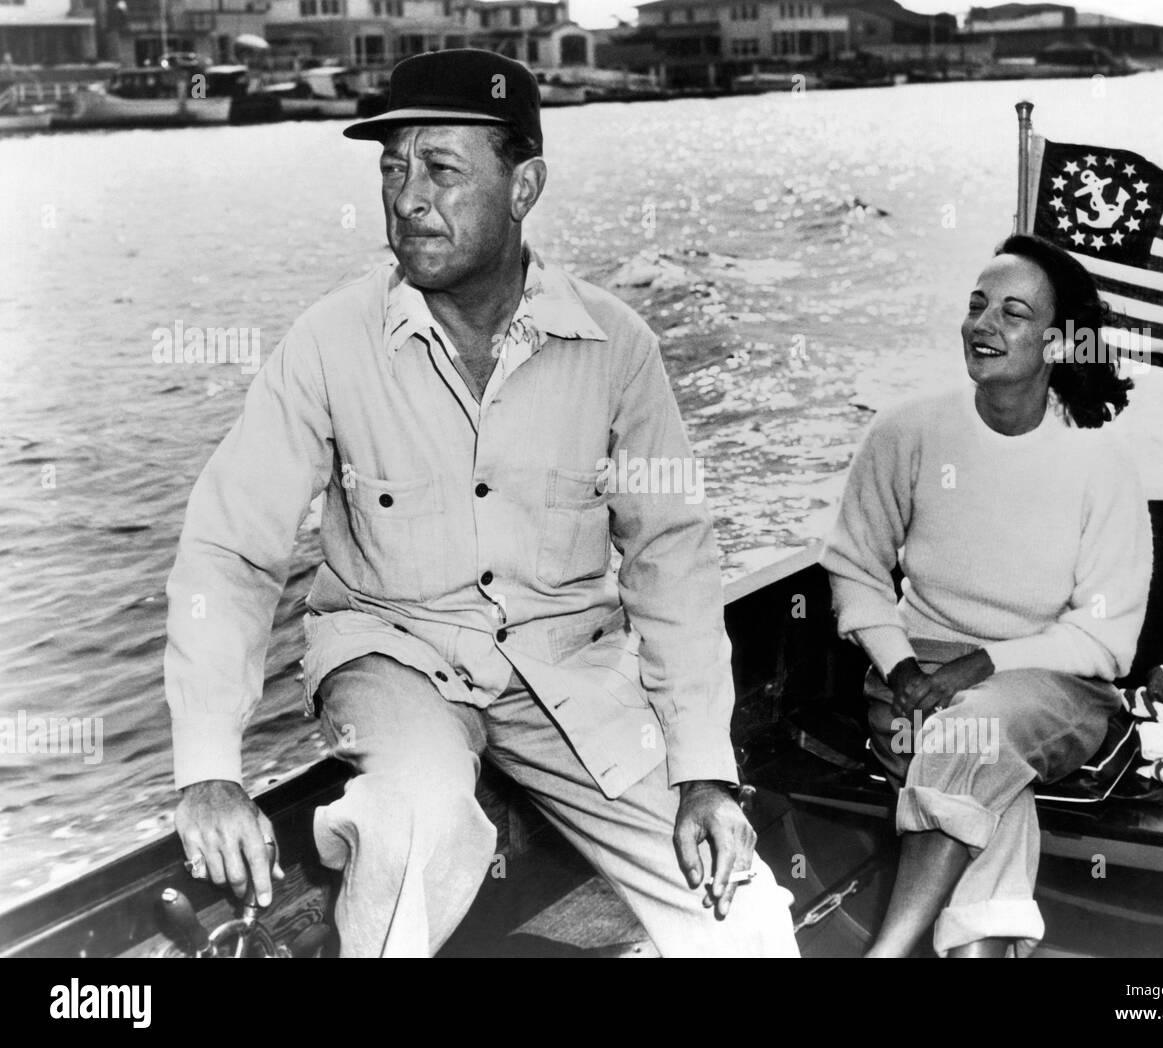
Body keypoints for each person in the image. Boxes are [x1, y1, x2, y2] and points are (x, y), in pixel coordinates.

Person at [164, 49, 798, 958]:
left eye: (442, 169)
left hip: (566, 668)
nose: (406, 196)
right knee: (414, 825)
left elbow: (672, 559)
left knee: (744, 923)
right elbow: (232, 549)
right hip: (394, 658)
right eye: (392, 166)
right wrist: (208, 770)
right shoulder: (328, 342)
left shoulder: (616, 348)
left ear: (524, 185)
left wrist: (703, 772)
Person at [820, 234, 1153, 958]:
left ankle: (889, 949)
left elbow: (1106, 641)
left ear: (1058, 341)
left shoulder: (1099, 462)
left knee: (972, 729)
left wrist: (982, 667)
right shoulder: (905, 431)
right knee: (987, 778)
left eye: (1011, 312)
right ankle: (978, 949)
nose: (982, 326)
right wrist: (902, 668)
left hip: (1057, 692)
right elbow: (853, 568)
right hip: (913, 686)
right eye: (976, 307)